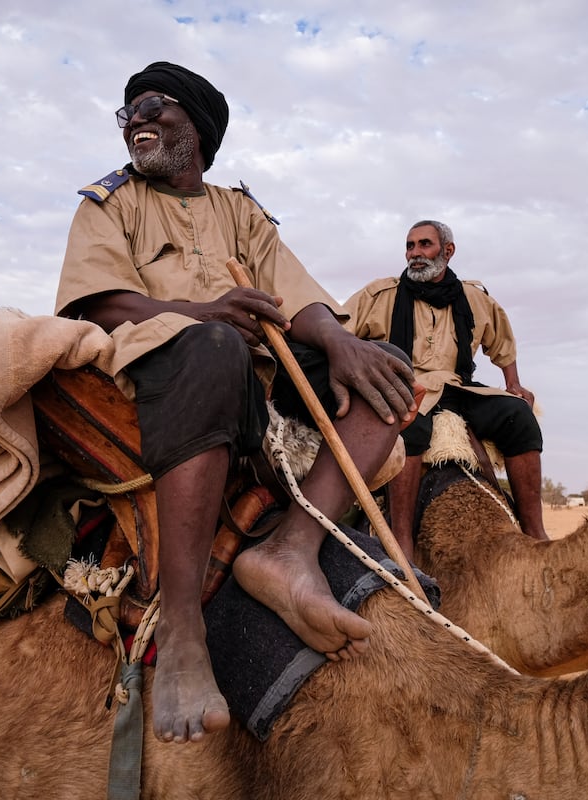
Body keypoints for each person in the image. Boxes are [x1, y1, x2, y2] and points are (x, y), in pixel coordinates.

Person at [55, 61, 416, 744]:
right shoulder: (110, 203)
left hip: (251, 389)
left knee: (387, 368)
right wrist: (202, 312)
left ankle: (290, 550)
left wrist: (338, 341)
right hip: (156, 381)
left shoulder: (240, 211)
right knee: (215, 342)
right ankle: (184, 627)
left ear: (197, 124)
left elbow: (294, 294)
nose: (137, 118)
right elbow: (99, 304)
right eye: (128, 110)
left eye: (155, 106)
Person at [344, 219, 549, 556]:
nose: (415, 253)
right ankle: (402, 539)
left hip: (457, 387)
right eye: (410, 246)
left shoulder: (473, 297)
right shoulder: (381, 294)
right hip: (403, 385)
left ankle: (534, 532)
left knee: (518, 416)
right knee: (410, 426)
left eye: (425, 244)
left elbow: (502, 342)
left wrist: (513, 383)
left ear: (448, 251)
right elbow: (341, 330)